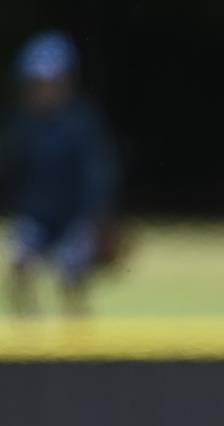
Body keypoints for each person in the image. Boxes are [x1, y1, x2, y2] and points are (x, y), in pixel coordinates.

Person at [2, 32, 120, 316]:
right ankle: (28, 326)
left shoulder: (82, 124)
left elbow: (98, 175)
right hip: (36, 219)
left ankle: (76, 334)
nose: (43, 91)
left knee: (72, 266)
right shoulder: (22, 126)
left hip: (73, 220)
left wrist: (98, 219)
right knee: (19, 258)